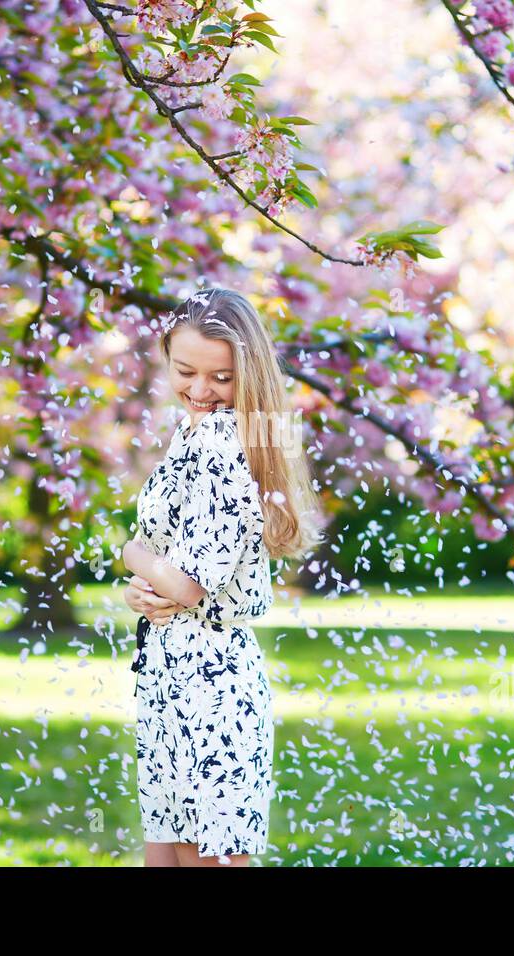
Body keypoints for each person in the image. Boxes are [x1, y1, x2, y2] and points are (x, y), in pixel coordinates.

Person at [121, 287, 324, 867]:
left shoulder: (221, 443)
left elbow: (186, 584)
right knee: (173, 848)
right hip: (170, 668)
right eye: (186, 371)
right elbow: (176, 564)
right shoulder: (194, 436)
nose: (201, 392)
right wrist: (142, 590)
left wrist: (131, 552)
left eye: (222, 378)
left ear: (249, 375)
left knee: (203, 855)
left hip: (210, 681)